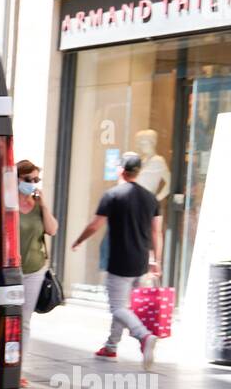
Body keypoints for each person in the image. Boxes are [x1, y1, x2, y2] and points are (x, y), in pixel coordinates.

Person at [70, 152, 165, 369]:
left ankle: (143, 336)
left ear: (121, 170)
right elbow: (156, 232)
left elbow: (95, 225)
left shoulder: (113, 195)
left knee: (117, 307)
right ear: (138, 172)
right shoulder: (151, 198)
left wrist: (78, 240)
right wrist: (156, 260)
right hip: (141, 262)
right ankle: (111, 346)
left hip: (120, 261)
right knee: (124, 305)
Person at [17, 159, 57, 388]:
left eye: (35, 180)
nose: (32, 184)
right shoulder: (7, 203)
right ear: (16, 178)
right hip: (9, 271)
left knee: (23, 321)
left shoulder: (38, 205)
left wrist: (44, 206)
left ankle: (18, 370)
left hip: (34, 270)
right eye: (27, 179)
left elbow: (51, 229)